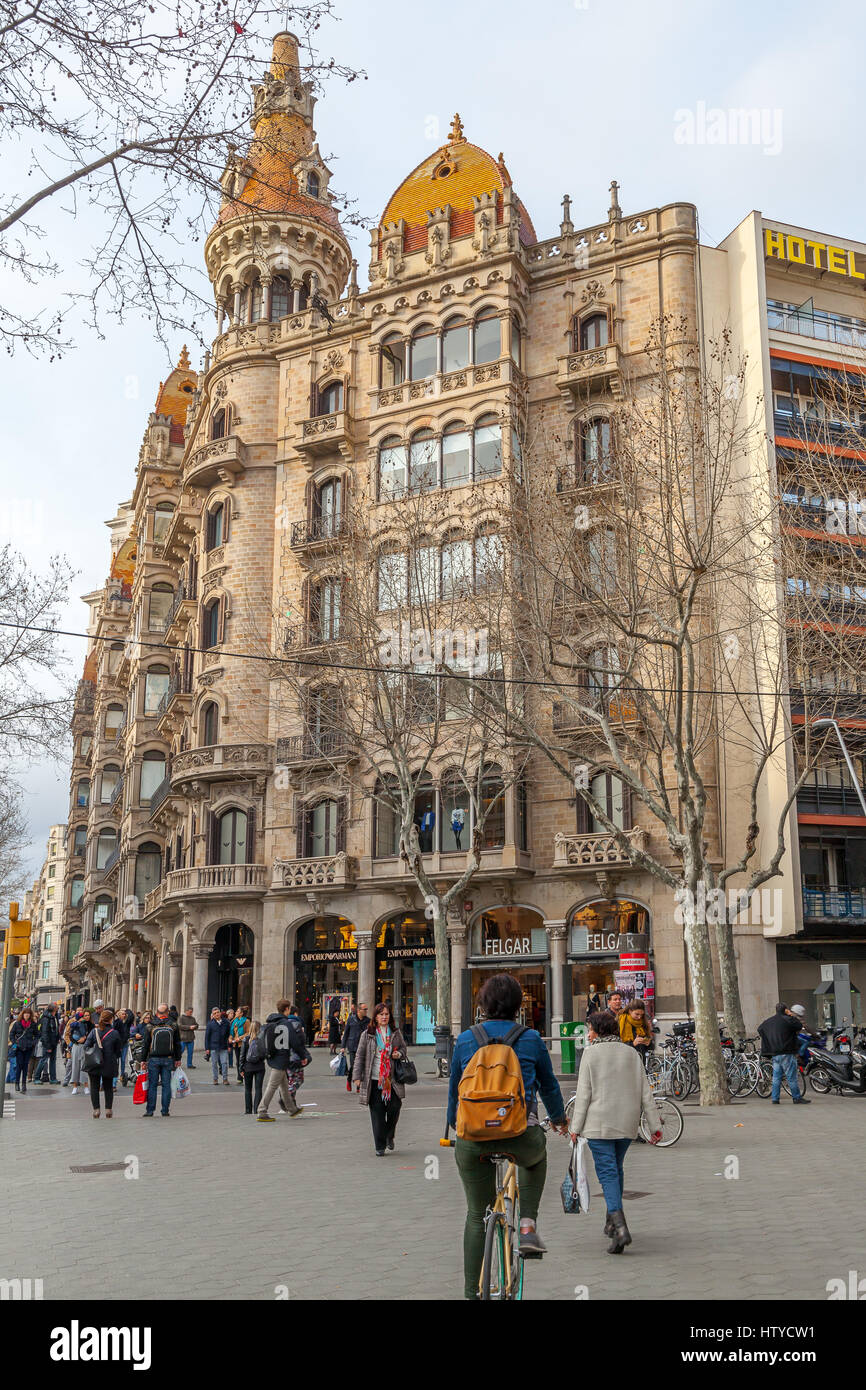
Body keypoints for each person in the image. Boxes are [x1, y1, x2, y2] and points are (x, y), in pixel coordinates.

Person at [447, 973, 567, 1296]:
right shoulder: (530, 1039)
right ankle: (527, 1224)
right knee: (536, 1157)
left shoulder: (465, 1040)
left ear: (482, 1005)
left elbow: (454, 1093)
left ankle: (472, 1293)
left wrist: (451, 1129)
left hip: (472, 1138)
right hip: (518, 1133)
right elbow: (549, 1086)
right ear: (518, 1006)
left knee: (476, 1214)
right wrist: (559, 1120)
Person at [569, 1009, 663, 1253]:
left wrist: (574, 1128)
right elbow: (645, 1091)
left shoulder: (590, 1055)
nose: (588, 1033)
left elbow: (584, 1095)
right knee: (616, 1169)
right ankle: (611, 1222)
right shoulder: (630, 1052)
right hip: (626, 1124)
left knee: (608, 1173)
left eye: (590, 1028)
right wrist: (655, 1126)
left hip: (599, 1125)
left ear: (598, 1030)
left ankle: (620, 1226)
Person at [354, 1001, 410, 1156]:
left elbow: (404, 1049)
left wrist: (398, 1054)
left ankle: (389, 1135)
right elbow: (360, 1055)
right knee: (377, 1113)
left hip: (391, 1080)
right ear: (376, 1017)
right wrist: (357, 1077)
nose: (384, 1017)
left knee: (394, 1107)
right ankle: (380, 1146)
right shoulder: (368, 1034)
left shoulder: (395, 1033)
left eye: (386, 1014)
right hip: (374, 1079)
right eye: (381, 1014)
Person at [257, 1000, 311, 1121]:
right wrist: (303, 1056)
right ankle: (262, 1110)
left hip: (274, 1057)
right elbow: (295, 1042)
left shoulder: (272, 1022)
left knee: (284, 1086)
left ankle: (292, 1109)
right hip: (281, 1059)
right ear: (286, 1009)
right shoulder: (286, 1024)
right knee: (272, 1086)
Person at [758, 1002, 812, 1105]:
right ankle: (796, 1098)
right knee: (791, 1077)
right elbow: (799, 1025)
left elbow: (760, 1029)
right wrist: (791, 1015)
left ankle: (775, 1098)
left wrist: (769, 1038)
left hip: (775, 1053)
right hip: (787, 1052)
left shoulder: (769, 1021)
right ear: (785, 1010)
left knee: (776, 1077)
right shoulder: (788, 1019)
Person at [141, 1002, 182, 1117]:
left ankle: (150, 1111)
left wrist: (143, 1060)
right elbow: (177, 1043)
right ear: (168, 1012)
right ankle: (165, 1110)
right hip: (168, 1058)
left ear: (157, 1013)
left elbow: (145, 1044)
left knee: (152, 1085)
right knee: (166, 1085)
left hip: (153, 1059)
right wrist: (178, 1059)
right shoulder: (173, 1025)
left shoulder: (150, 1025)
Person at [85, 1010, 122, 1118]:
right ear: (111, 1019)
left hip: (94, 1063)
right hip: (109, 1063)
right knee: (108, 1087)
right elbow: (118, 1051)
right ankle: (108, 1110)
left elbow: (86, 1046)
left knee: (94, 1087)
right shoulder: (114, 1033)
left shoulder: (94, 1031)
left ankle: (96, 1110)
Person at [239, 1020, 266, 1115]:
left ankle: (248, 1110)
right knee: (258, 1089)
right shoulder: (261, 1040)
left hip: (248, 1067)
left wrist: (241, 1068)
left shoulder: (246, 1039)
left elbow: (242, 1055)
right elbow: (264, 1054)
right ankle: (257, 1109)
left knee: (248, 1089)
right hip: (259, 1067)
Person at [10, 1008, 37, 1093]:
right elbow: (11, 1034)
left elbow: (37, 1034)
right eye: (25, 1014)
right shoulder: (17, 1023)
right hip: (19, 1048)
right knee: (19, 1066)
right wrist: (15, 1043)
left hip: (28, 1048)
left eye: (28, 1014)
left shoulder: (32, 1024)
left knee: (25, 1066)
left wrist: (33, 1043)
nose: (27, 1015)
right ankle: (17, 1083)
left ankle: (24, 1084)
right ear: (22, 1014)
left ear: (30, 1015)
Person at [341, 1002, 368, 1085]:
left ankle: (358, 1086)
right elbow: (346, 1033)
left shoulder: (368, 1020)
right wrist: (343, 1046)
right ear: (359, 1010)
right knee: (354, 1066)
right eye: (364, 1009)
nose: (366, 1011)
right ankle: (349, 1079)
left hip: (364, 1046)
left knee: (362, 1066)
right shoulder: (351, 1019)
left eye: (366, 1009)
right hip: (353, 1046)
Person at [67, 1008, 93, 1093]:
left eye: (88, 1015)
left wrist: (85, 1038)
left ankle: (86, 1086)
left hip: (85, 1047)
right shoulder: (76, 1024)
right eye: (85, 1015)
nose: (86, 1017)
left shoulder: (90, 1025)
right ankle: (75, 1086)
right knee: (75, 1065)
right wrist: (77, 1041)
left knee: (84, 1066)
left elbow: (92, 1037)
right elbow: (70, 1035)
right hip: (76, 1045)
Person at [34, 1004, 60, 1084]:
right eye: (56, 1008)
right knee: (43, 1060)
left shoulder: (54, 1017)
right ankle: (37, 1077)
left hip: (53, 1042)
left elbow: (56, 1029)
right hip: (48, 1043)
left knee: (52, 1060)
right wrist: (48, 1045)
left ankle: (53, 1078)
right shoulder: (46, 1018)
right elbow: (44, 1032)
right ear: (53, 1010)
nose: (57, 1010)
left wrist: (57, 1039)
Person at [204, 1007, 231, 1085]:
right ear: (213, 1015)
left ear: (220, 1013)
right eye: (214, 1013)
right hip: (213, 1046)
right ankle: (215, 1079)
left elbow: (229, 1035)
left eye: (218, 1012)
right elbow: (207, 1037)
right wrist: (207, 1048)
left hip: (224, 1046)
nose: (216, 1014)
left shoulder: (226, 1022)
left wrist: (229, 1046)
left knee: (224, 1063)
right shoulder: (210, 1024)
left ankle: (225, 1079)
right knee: (214, 1063)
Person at [229, 1006, 250, 1082]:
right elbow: (232, 1032)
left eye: (237, 1011)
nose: (236, 1012)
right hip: (236, 1044)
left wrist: (240, 1038)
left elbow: (248, 1033)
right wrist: (230, 1038)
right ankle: (239, 1077)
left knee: (244, 1060)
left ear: (241, 1013)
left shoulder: (246, 1021)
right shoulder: (234, 1021)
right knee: (238, 1061)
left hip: (243, 1044)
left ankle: (246, 1075)